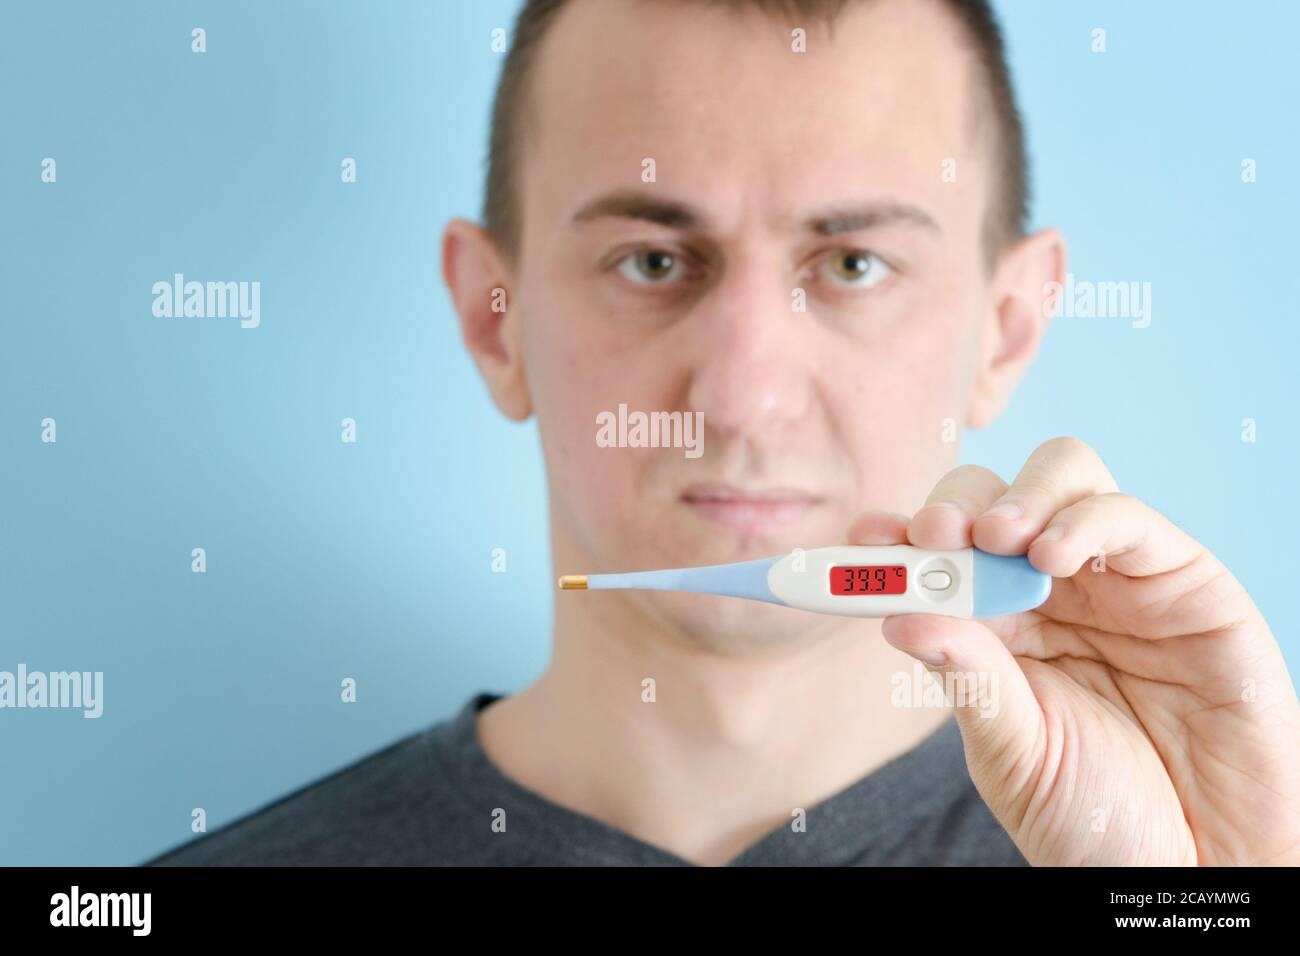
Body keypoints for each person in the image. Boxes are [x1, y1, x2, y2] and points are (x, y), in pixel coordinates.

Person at [147, 0, 1300, 867]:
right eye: (652, 260)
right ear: (494, 322)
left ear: (1004, 330)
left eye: (851, 264)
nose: (744, 395)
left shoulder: (1179, 859)